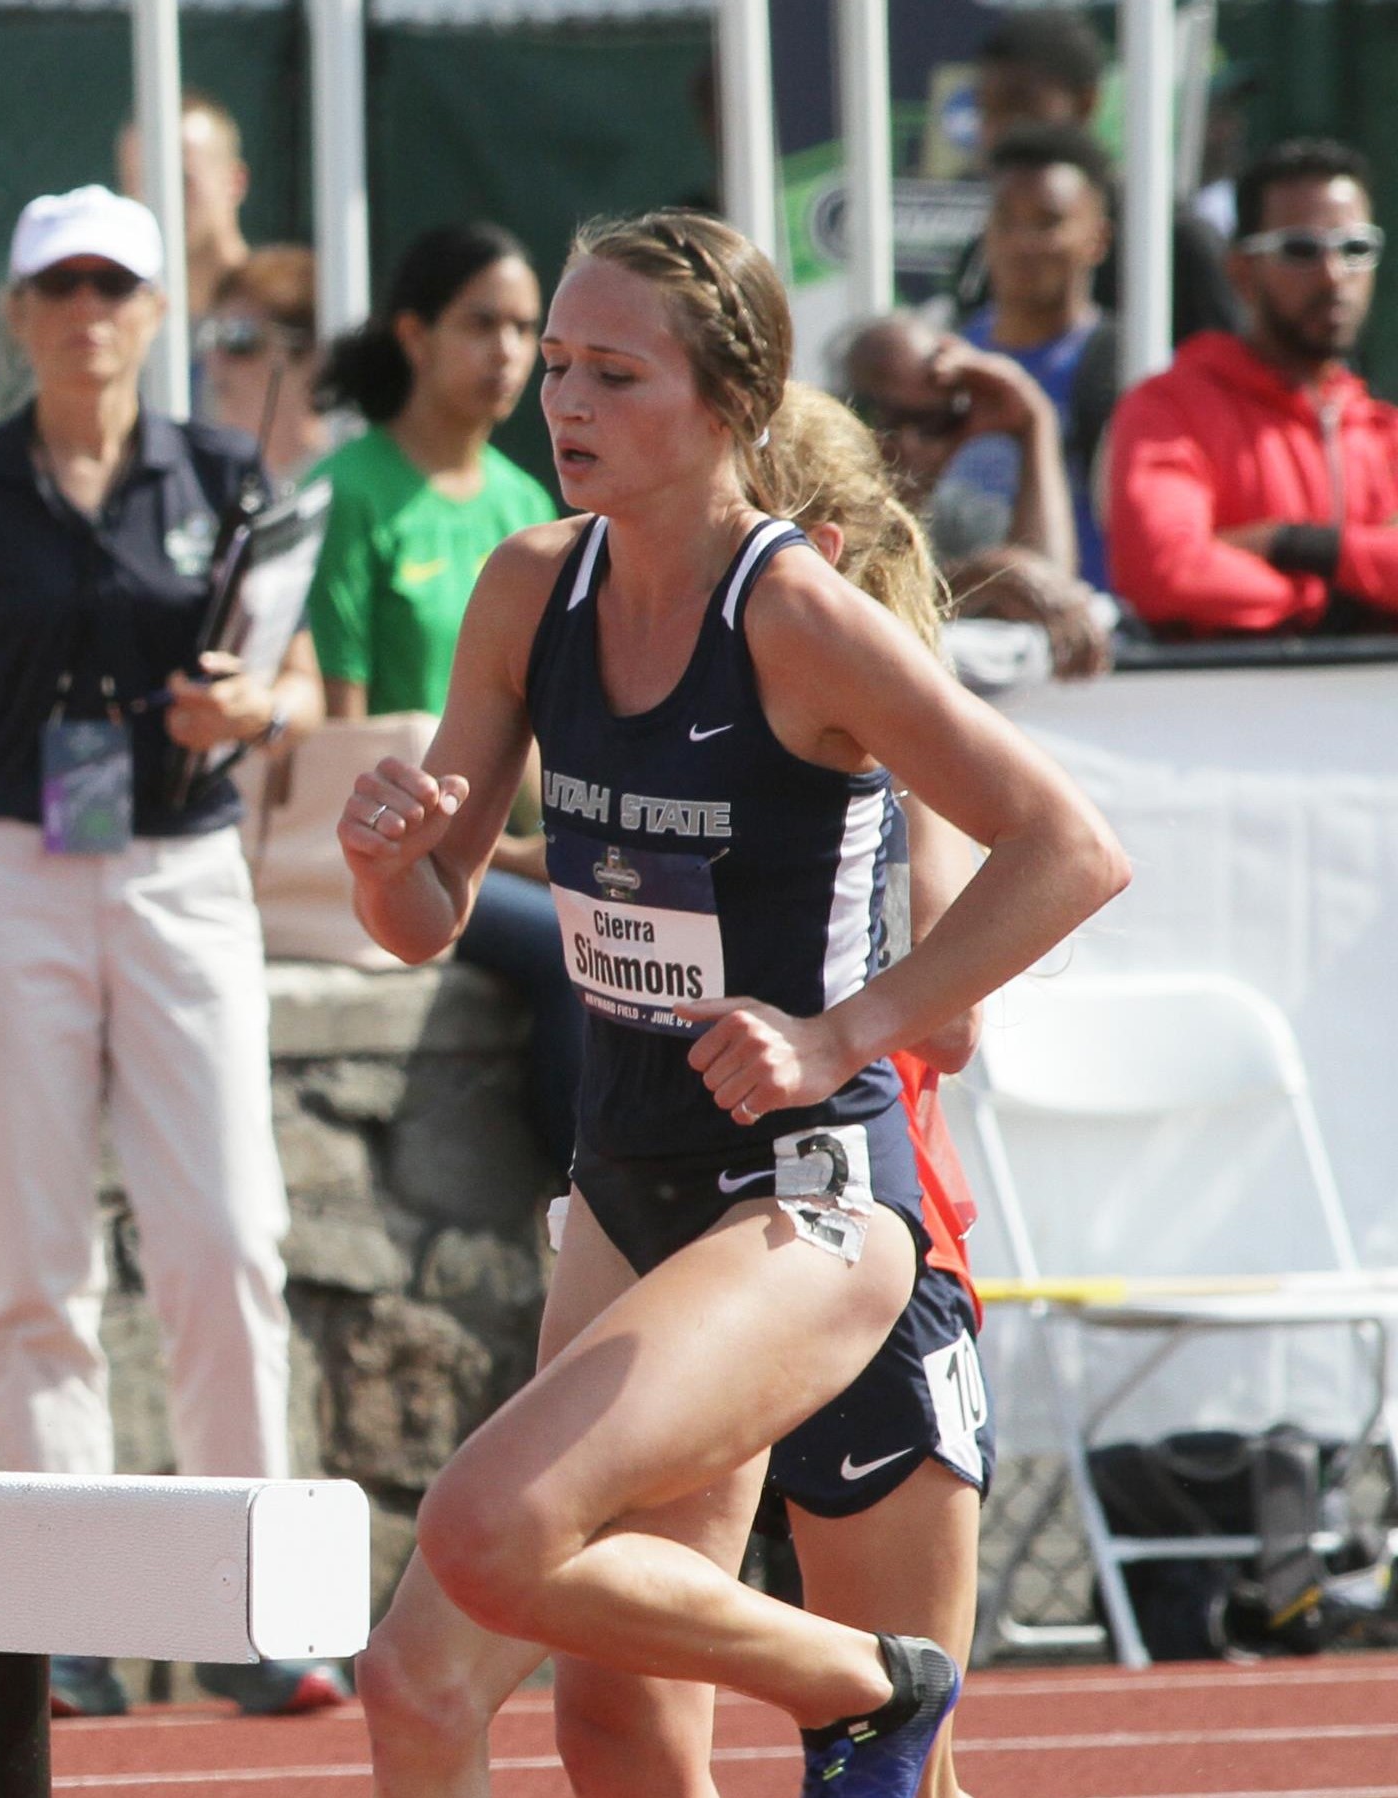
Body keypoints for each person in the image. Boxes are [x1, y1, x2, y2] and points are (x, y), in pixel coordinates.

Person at [340, 209, 1123, 1798]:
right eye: (556, 363)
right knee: (435, 1685)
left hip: (804, 1200)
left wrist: (842, 1032)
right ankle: (870, 1688)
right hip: (626, 1183)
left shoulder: (796, 613)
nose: (566, 402)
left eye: (614, 373)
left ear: (733, 403)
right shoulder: (529, 587)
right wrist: (382, 861)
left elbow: (1071, 849)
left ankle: (865, 1683)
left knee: (493, 1528)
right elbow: (424, 921)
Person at [0, 184, 336, 1722]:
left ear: (155, 309)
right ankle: (64, 1612)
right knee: (32, 1257)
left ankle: (252, 1605)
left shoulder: (223, 468)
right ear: (15, 313)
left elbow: (301, 683)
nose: (87, 311)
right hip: (7, 867)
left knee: (228, 1239)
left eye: (114, 285)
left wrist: (252, 708)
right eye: (60, 286)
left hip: (182, 867)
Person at [307, 223, 569, 1163]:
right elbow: (343, 737)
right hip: (396, 859)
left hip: (511, 850)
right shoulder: (346, 492)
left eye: (525, 330)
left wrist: (560, 845)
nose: (508, 352)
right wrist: (514, 859)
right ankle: (581, 1200)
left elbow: (537, 723)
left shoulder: (525, 504)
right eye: (481, 323)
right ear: (414, 336)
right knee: (573, 951)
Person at [1106, 139, 1398, 637]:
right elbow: (1164, 570)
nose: (1334, 275)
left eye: (1355, 248)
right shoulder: (1170, 409)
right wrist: (1325, 603)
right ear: (1241, 271)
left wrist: (1293, 545)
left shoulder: (1381, 432)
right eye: (1300, 249)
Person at [840, 313, 1111, 686]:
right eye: (883, 416)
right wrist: (986, 577)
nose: (909, 442)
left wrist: (1034, 422)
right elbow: (840, 608)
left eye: (935, 423)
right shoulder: (799, 506)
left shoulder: (954, 517)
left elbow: (1052, 595)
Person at [949, 9, 1240, 346]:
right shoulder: (983, 253)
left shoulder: (1173, 242)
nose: (997, 131)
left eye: (1019, 106)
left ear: (1086, 103)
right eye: (985, 110)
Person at [962, 124, 1118, 589]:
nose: (1022, 242)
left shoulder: (1127, 368)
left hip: (1091, 617)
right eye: (1006, 220)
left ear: (1098, 239)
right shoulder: (946, 358)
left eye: (1047, 222)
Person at [117, 93, 256, 367]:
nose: (160, 201)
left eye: (182, 181)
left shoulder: (292, 316)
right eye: (140, 184)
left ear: (235, 182)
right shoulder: (121, 335)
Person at [199, 245, 334, 492]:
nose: (215, 360)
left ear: (312, 357)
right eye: (214, 338)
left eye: (239, 339)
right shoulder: (204, 486)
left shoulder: (342, 483)